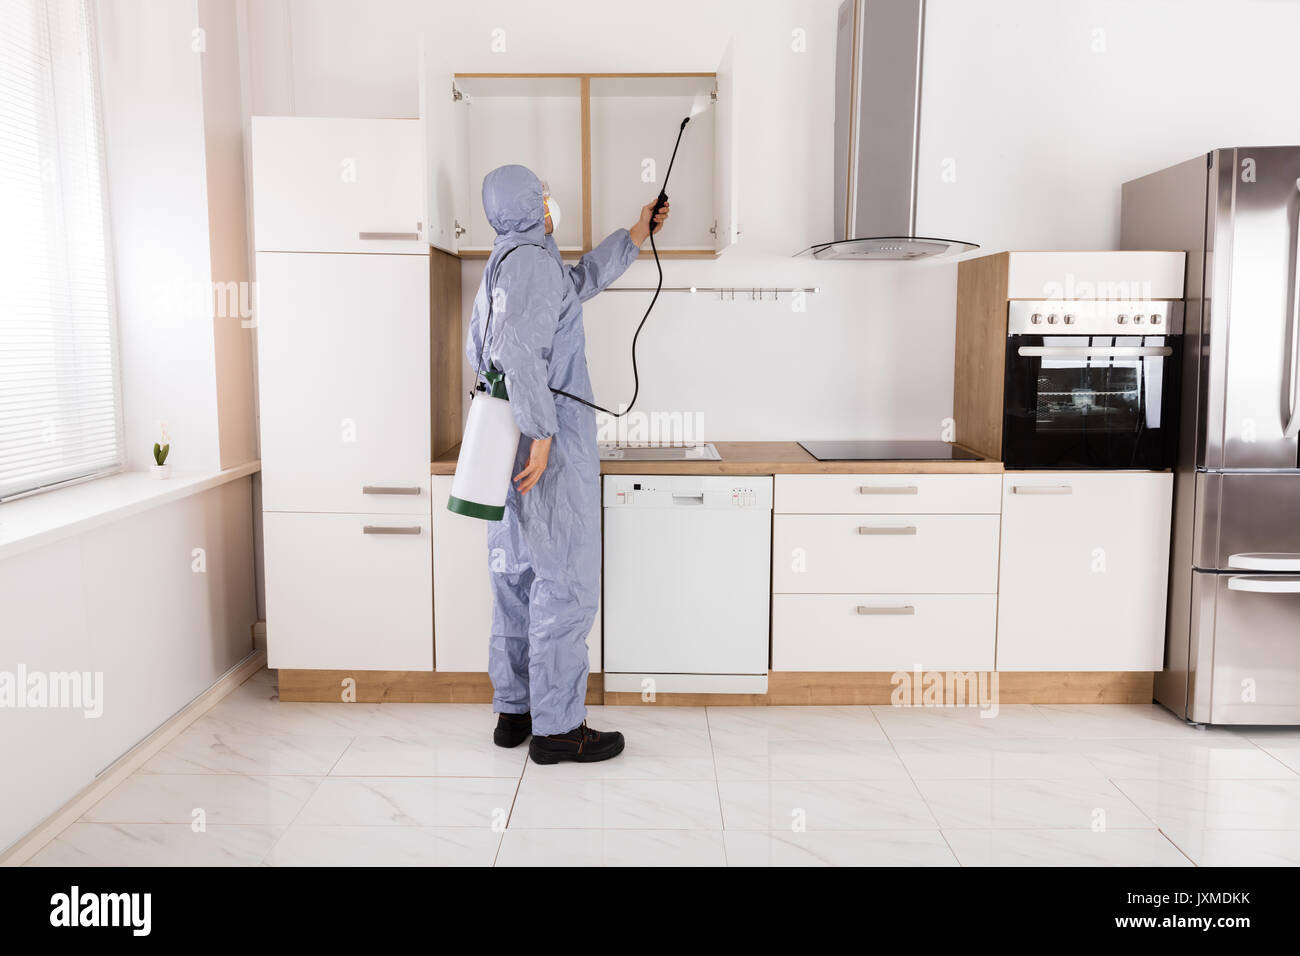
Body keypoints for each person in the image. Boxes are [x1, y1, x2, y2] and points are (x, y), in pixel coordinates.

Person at [464, 164, 668, 764]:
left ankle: (516, 711)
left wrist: (635, 232)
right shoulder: (528, 261)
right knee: (564, 586)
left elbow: (578, 281)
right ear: (530, 203)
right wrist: (544, 433)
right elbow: (518, 350)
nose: (553, 204)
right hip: (541, 447)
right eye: (545, 195)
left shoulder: (518, 260)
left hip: (509, 443)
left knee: (518, 579)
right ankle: (557, 729)